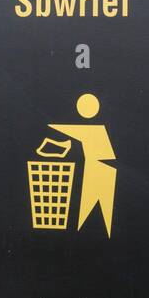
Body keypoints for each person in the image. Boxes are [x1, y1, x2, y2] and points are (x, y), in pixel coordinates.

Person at [49, 93, 116, 236]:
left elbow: (83, 133)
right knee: (93, 214)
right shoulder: (96, 133)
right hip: (99, 168)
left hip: (101, 169)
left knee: (99, 213)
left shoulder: (96, 133)